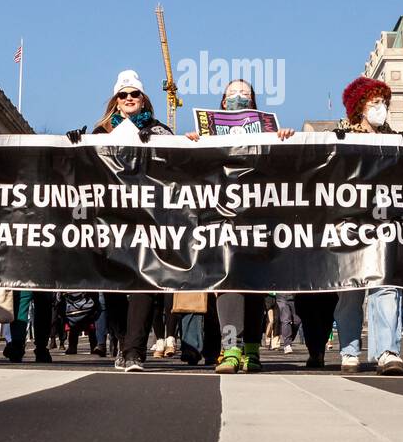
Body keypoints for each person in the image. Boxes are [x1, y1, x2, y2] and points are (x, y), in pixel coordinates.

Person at [184, 78, 295, 374]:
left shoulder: (270, 130)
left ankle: (251, 351)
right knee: (228, 280)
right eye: (232, 93)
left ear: (254, 103)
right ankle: (231, 348)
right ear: (222, 103)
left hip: (258, 217)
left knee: (255, 286)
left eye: (245, 94)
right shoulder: (206, 133)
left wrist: (285, 140)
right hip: (222, 218)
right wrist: (192, 144)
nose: (238, 97)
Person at [75, 70, 174, 372]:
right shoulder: (101, 132)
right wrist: (76, 145)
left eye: (135, 94)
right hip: (111, 220)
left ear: (143, 100)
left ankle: (134, 351)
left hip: (148, 220)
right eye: (123, 94)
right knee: (114, 285)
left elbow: (179, 165)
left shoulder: (159, 130)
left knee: (144, 281)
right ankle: (121, 340)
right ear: (116, 101)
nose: (129, 99)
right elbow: (84, 172)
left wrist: (160, 145)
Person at [333, 76, 403, 375]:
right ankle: (350, 351)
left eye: (384, 103)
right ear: (359, 107)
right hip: (349, 228)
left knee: (386, 288)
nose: (381, 108)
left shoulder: (397, 141)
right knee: (350, 291)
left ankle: (387, 351)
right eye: (374, 103)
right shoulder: (340, 140)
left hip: (385, 228)